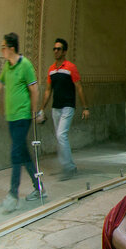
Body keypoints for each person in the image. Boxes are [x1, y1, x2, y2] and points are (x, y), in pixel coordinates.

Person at [0, 32, 43, 212]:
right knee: (23, 155)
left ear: (11, 48)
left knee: (15, 154)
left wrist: (34, 112)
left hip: (23, 117)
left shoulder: (25, 65)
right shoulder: (7, 66)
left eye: (3, 47)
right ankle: (39, 187)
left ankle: (13, 194)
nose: (2, 50)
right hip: (11, 118)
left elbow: (34, 89)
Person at [37, 38, 90, 181]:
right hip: (56, 108)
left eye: (58, 49)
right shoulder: (51, 69)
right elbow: (48, 90)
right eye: (54, 49)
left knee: (61, 135)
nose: (55, 51)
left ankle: (69, 168)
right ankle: (69, 166)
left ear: (64, 51)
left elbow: (79, 87)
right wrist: (42, 108)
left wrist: (85, 107)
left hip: (68, 106)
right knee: (60, 137)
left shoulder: (71, 67)